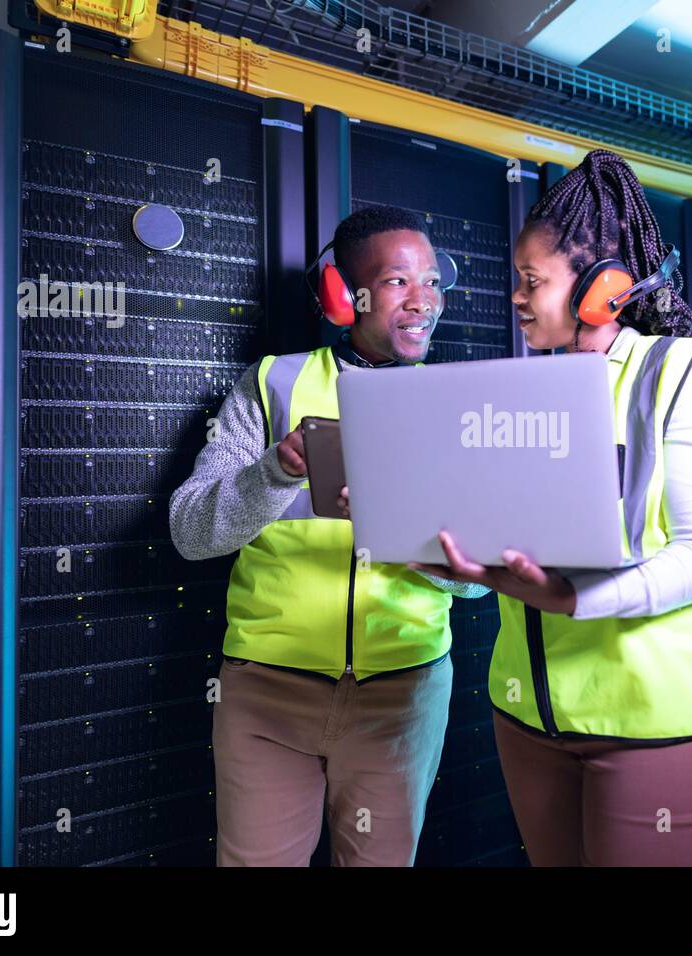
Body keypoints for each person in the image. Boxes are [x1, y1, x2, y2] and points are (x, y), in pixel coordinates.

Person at [410, 149, 692, 866]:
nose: (518, 297)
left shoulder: (680, 373)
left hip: (652, 722)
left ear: (601, 289)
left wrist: (570, 599)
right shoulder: (531, 389)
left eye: (533, 281)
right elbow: (497, 563)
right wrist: (432, 547)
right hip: (527, 718)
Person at [170, 204, 486, 866]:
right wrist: (277, 472)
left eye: (432, 281)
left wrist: (395, 526)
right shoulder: (272, 382)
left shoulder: (458, 404)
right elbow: (190, 531)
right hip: (267, 694)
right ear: (347, 295)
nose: (423, 301)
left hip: (403, 694)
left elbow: (478, 585)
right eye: (399, 281)